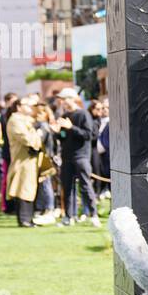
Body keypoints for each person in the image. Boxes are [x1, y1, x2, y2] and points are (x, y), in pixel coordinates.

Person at [55, 88, 99, 227]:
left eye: (64, 99)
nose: (62, 102)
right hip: (66, 156)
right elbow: (63, 137)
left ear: (72, 98)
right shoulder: (65, 115)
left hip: (81, 156)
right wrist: (57, 132)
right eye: (61, 99)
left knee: (85, 186)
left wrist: (70, 127)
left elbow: (88, 135)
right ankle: (69, 216)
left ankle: (94, 215)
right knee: (67, 187)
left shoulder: (83, 114)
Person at [6, 96, 45, 228]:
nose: (30, 107)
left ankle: (29, 218)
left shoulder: (24, 120)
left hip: (29, 159)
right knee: (22, 188)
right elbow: (26, 139)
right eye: (26, 105)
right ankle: (24, 219)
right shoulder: (15, 120)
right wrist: (38, 135)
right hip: (22, 160)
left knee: (28, 188)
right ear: (18, 107)